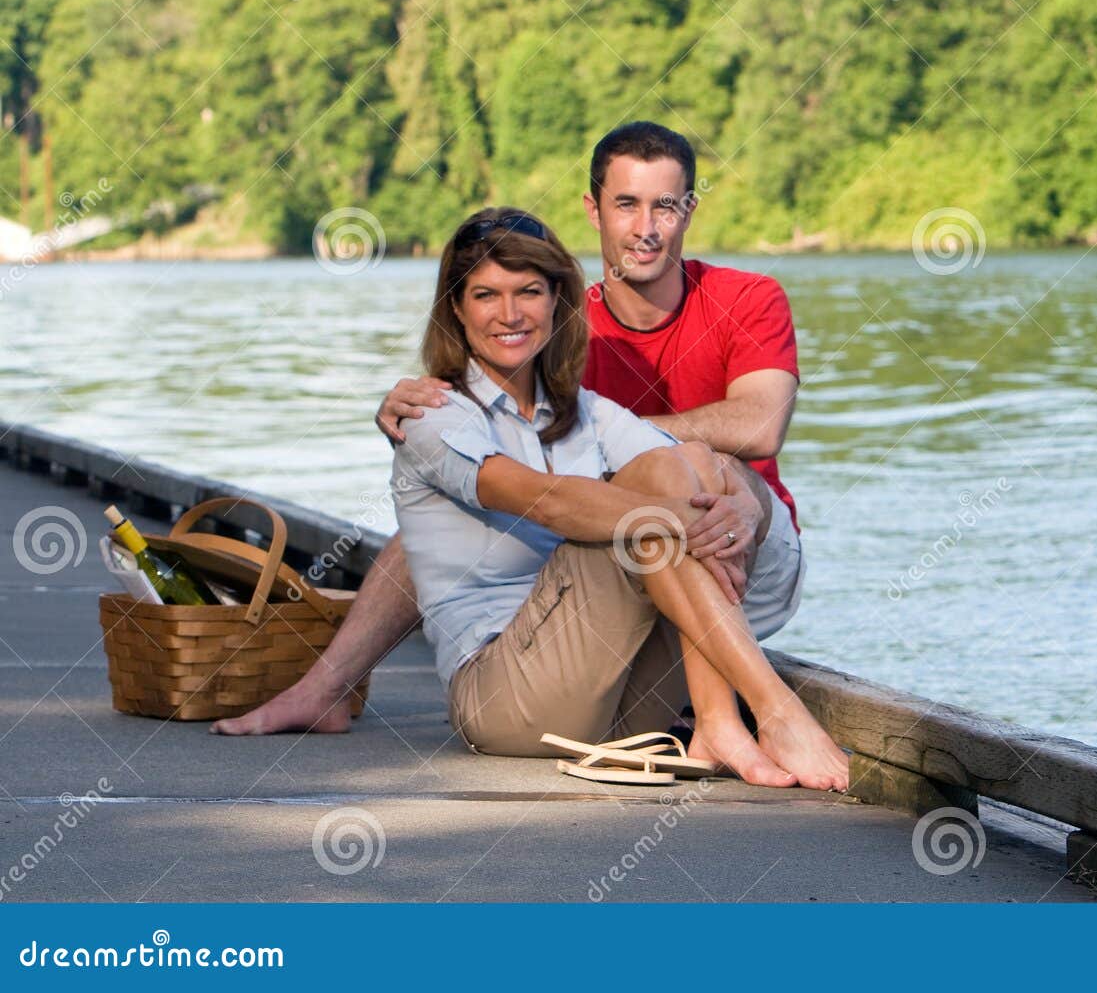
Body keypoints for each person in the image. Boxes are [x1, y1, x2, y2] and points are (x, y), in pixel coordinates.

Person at [215, 124, 824, 786]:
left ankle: (729, 717)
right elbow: (538, 492)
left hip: (745, 542)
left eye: (665, 205)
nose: (646, 226)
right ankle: (737, 719)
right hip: (638, 575)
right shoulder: (554, 336)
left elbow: (760, 427)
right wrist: (440, 418)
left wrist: (600, 450)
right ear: (594, 209)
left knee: (692, 467)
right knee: (516, 505)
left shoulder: (741, 299)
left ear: (689, 210)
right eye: (627, 204)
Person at [339, 206, 845, 788]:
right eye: (485, 295)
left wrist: (741, 505)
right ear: (455, 307)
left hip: (617, 706)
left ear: (557, 299)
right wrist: (687, 519)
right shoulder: (433, 415)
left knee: (689, 464)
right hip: (503, 700)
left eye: (529, 291)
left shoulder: (586, 412)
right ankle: (774, 714)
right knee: (650, 517)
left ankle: (715, 721)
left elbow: (696, 465)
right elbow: (543, 500)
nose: (509, 314)